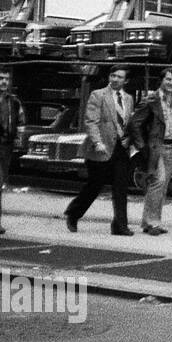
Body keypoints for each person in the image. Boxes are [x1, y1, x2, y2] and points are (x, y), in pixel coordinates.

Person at [65, 66, 135, 236]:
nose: (115, 79)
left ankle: (120, 225)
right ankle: (74, 213)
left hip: (120, 148)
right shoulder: (98, 95)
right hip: (101, 148)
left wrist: (128, 138)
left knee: (120, 187)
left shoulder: (128, 98)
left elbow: (127, 122)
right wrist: (97, 142)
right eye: (113, 75)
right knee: (95, 185)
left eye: (119, 77)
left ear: (126, 81)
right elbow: (91, 121)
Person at [128, 67, 172, 237]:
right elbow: (134, 123)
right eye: (168, 79)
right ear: (161, 80)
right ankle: (152, 222)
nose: (171, 83)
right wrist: (142, 146)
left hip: (171, 147)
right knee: (158, 181)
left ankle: (151, 221)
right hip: (154, 147)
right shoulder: (151, 100)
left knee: (163, 185)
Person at [0, 65, 26, 235]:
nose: (4, 82)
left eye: (6, 79)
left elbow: (21, 122)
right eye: (0, 78)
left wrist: (19, 141)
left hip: (6, 146)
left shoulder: (13, 101)